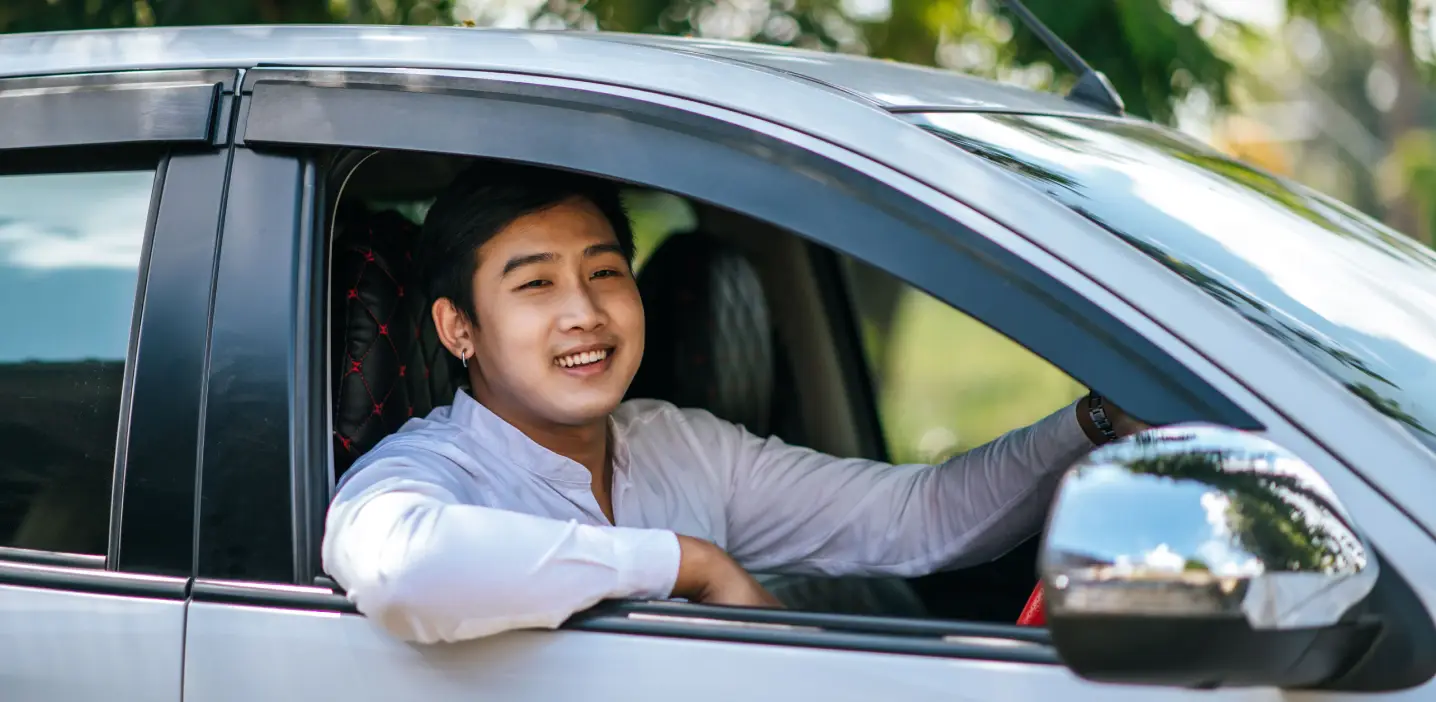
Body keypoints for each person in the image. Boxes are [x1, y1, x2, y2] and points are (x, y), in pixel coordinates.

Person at [321, 161, 1147, 644]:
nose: (585, 312)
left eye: (604, 272)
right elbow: (405, 572)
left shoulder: (678, 445)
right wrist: (690, 565)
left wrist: (1097, 423)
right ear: (458, 328)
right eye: (536, 284)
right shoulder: (424, 471)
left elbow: (920, 516)